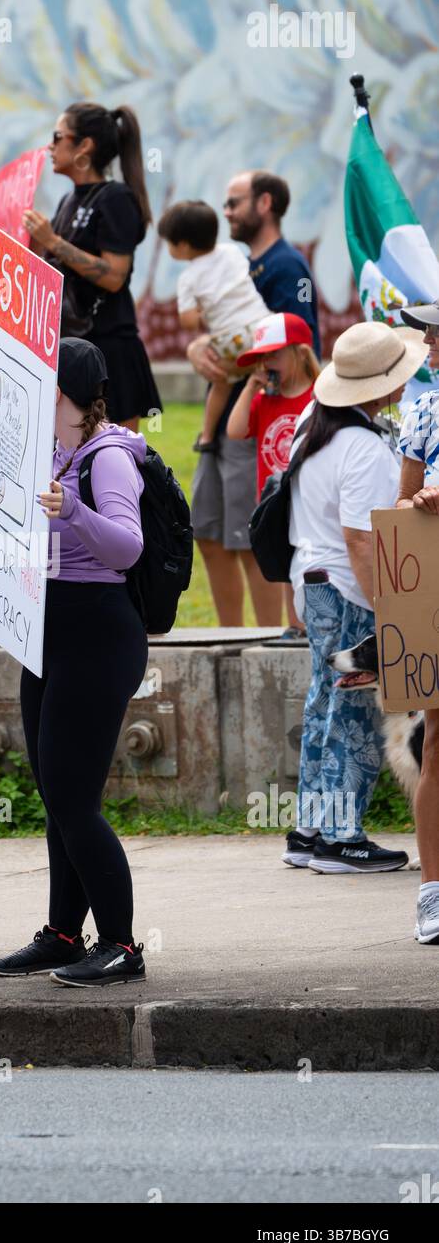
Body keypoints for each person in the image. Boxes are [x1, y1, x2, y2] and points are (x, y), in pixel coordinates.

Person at [0, 339, 148, 987]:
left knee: (72, 796)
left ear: (63, 394)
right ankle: (65, 934)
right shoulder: (55, 453)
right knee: (57, 794)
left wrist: (75, 512)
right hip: (50, 631)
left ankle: (121, 945)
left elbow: (125, 548)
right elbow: (9, 522)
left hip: (98, 633)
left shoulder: (109, 457)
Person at [282, 321, 426, 875]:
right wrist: (390, 610)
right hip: (347, 585)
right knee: (353, 715)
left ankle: (310, 830)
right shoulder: (363, 446)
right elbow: (361, 540)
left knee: (324, 701)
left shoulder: (311, 425)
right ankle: (343, 840)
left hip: (312, 581)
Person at [187, 170, 320, 628]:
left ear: (265, 203)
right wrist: (196, 347)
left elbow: (299, 351)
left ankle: (264, 641)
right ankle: (228, 638)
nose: (225, 212)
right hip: (222, 417)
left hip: (259, 418)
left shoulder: (288, 267)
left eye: (234, 202)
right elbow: (216, 330)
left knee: (251, 536)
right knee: (208, 531)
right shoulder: (234, 264)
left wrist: (240, 371)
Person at [21, 102, 161, 432]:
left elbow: (114, 276)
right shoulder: (69, 200)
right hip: (73, 349)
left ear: (85, 146)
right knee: (67, 466)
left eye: (57, 137)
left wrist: (53, 241)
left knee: (113, 459)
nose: (50, 147)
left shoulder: (115, 198)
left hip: (110, 350)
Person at [226, 312, 319, 636]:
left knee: (308, 559)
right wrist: (250, 386)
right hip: (275, 498)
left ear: (300, 352)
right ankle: (294, 624)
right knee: (285, 561)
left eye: (274, 354)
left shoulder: (319, 396)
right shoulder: (265, 400)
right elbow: (235, 430)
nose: (267, 363)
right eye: (262, 356)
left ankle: (313, 622)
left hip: (308, 496)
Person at [393, 299, 439, 941]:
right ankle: (432, 889)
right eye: (429, 330)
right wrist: (421, 500)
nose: (430, 340)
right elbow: (399, 505)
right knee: (436, 743)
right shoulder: (423, 408)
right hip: (433, 586)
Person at [157, 200, 269, 450]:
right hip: (263, 326)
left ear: (183, 246)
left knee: (221, 383)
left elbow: (188, 322)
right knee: (263, 372)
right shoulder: (231, 251)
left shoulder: (188, 278)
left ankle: (207, 436)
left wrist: (199, 311)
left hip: (231, 338)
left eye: (169, 243)